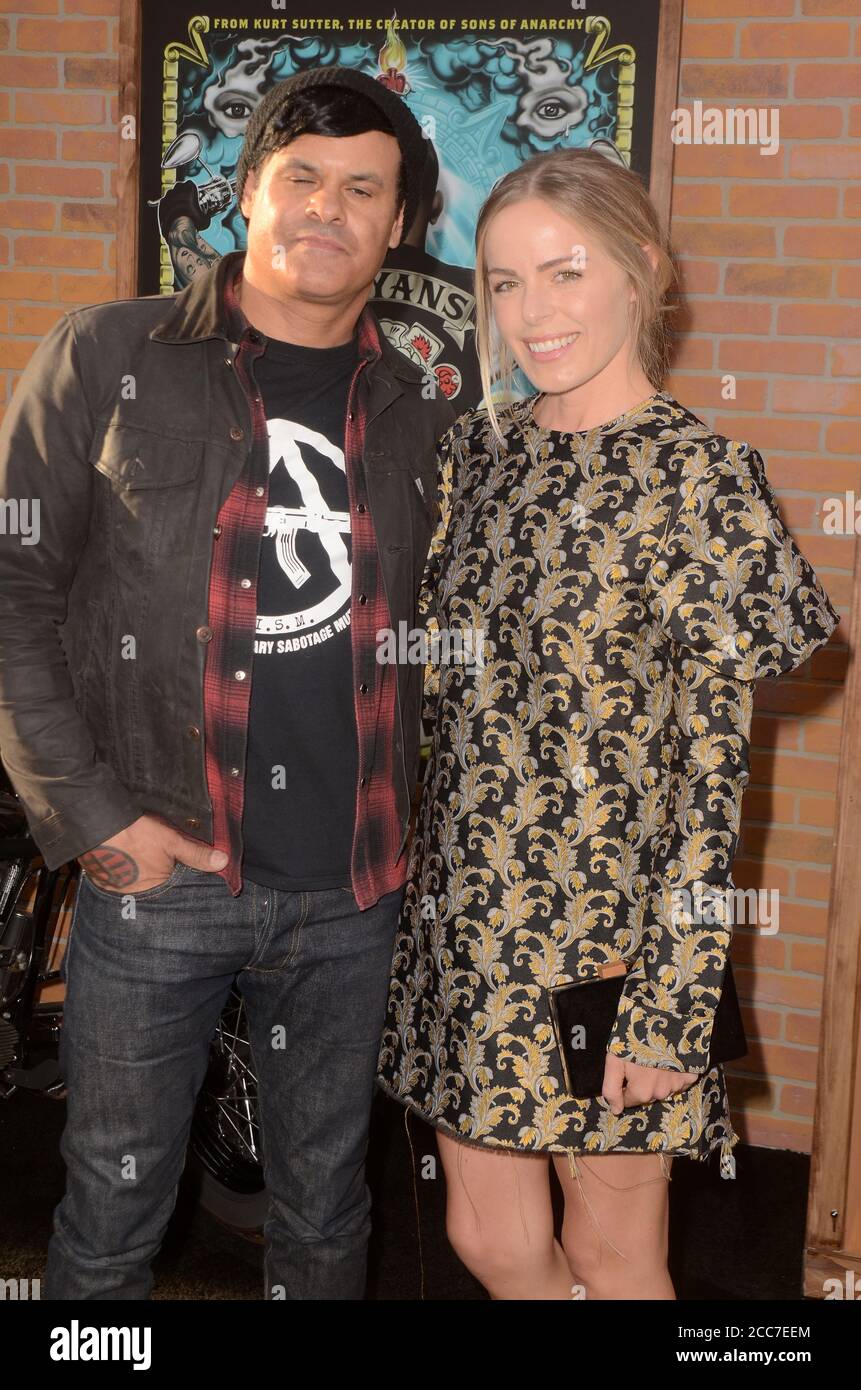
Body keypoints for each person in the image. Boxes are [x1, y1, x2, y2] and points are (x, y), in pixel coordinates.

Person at [0, 65, 454, 1299]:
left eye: (365, 188)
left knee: (325, 1216)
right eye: (300, 177)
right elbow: (11, 588)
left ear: (404, 223)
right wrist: (89, 814)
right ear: (247, 191)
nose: (328, 207)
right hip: (161, 873)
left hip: (353, 889)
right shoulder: (106, 351)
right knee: (107, 1218)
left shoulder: (419, 410)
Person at [375, 147, 840, 1301]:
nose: (533, 313)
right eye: (505, 282)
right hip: (469, 922)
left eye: (565, 273)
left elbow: (714, 772)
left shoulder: (704, 478)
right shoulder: (482, 452)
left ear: (642, 271)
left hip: (614, 942)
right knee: (488, 1239)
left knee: (613, 1253)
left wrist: (674, 997)